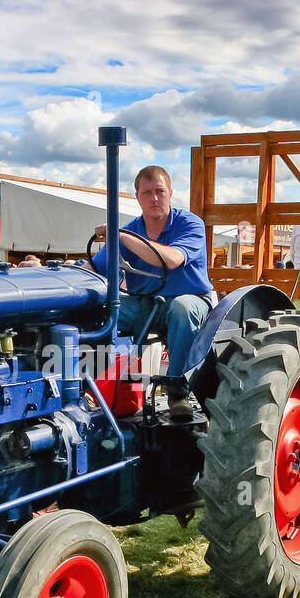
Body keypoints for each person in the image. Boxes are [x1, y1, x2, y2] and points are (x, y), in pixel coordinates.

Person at [90, 165, 213, 420]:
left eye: (160, 191)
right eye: (147, 193)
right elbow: (95, 267)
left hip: (191, 303)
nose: (154, 198)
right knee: (94, 310)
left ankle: (177, 390)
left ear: (170, 193)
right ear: (137, 197)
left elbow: (171, 259)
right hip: (145, 305)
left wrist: (119, 235)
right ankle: (88, 386)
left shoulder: (190, 224)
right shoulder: (129, 230)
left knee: (183, 307)